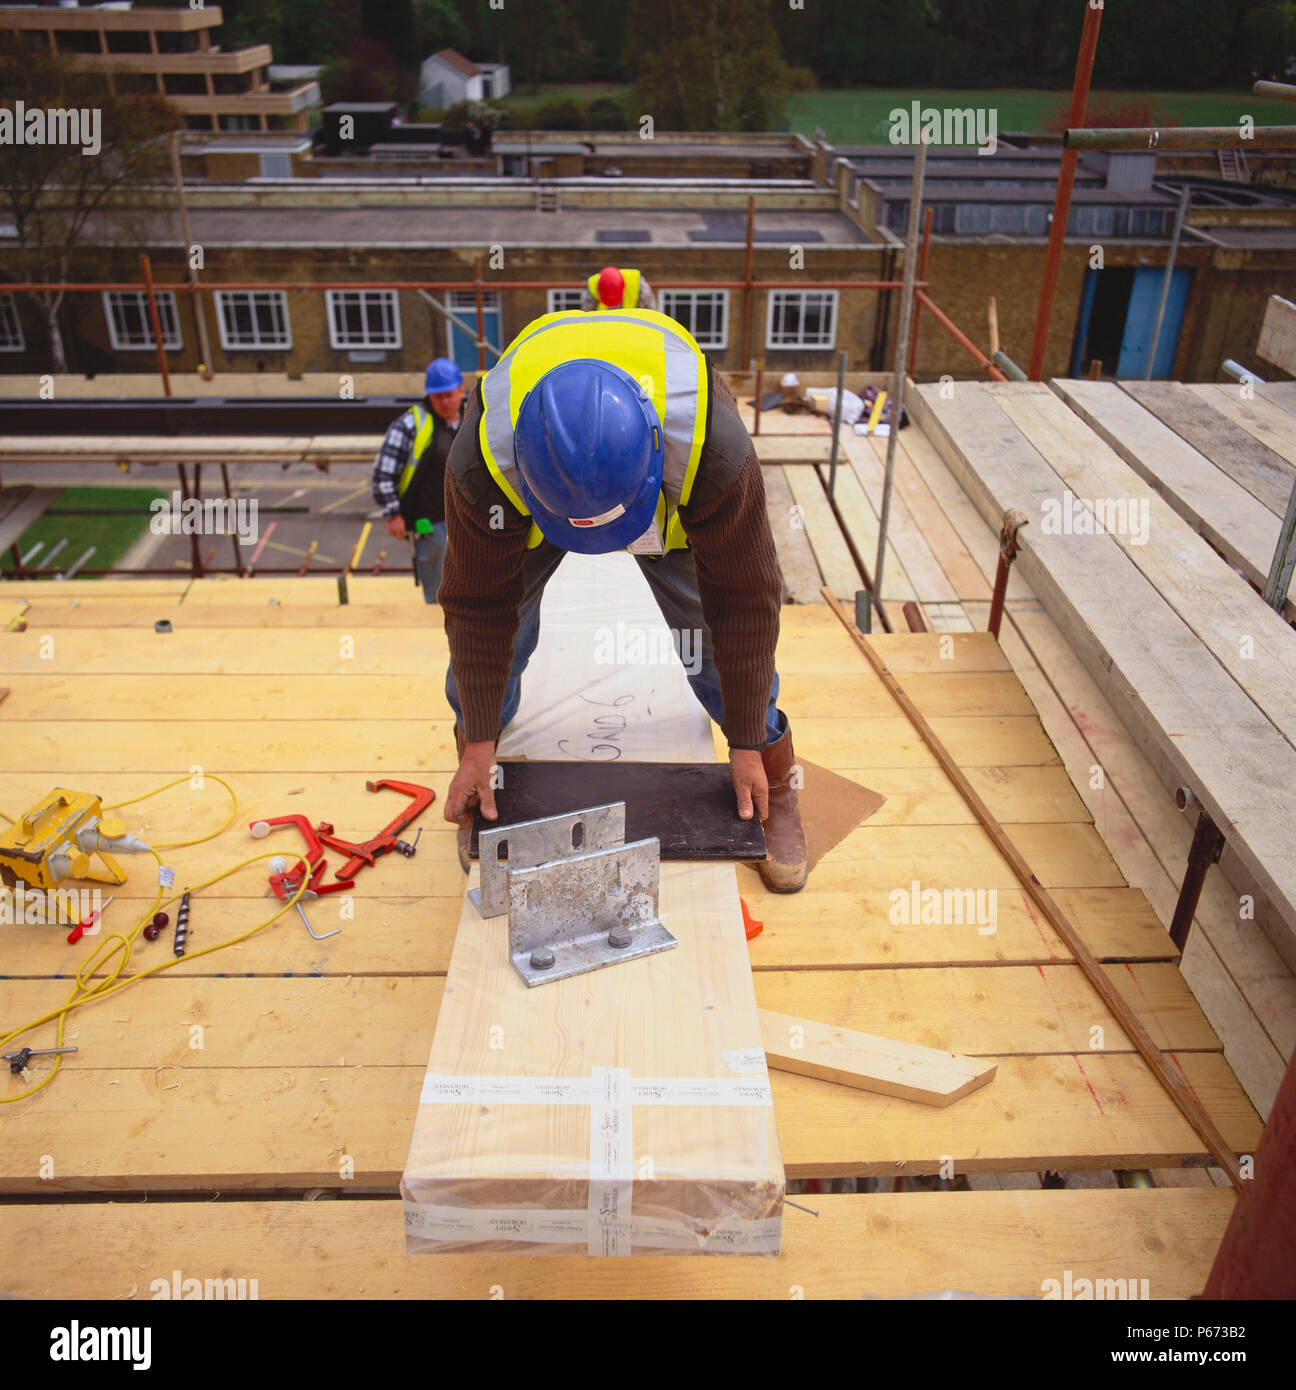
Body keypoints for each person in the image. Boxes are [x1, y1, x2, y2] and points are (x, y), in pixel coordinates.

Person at [438, 306, 808, 893]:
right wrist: (479, 740)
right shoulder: (485, 464)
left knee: (714, 645)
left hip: (667, 509)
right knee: (498, 640)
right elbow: (478, 608)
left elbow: (746, 600)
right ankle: (482, 768)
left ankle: (771, 775)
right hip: (539, 506)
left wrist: (741, 741)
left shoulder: (711, 449)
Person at [371, 358, 465, 603]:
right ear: (428, 396)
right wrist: (393, 515)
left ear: (461, 391)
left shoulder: (474, 421)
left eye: (449, 395)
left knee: (469, 584)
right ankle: (437, 629)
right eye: (437, 397)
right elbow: (383, 474)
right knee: (438, 591)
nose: (444, 402)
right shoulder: (411, 425)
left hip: (468, 522)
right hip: (429, 524)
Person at [580, 265, 656, 312]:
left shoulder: (638, 285)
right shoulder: (593, 286)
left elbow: (649, 312)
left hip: (632, 326)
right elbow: (588, 314)